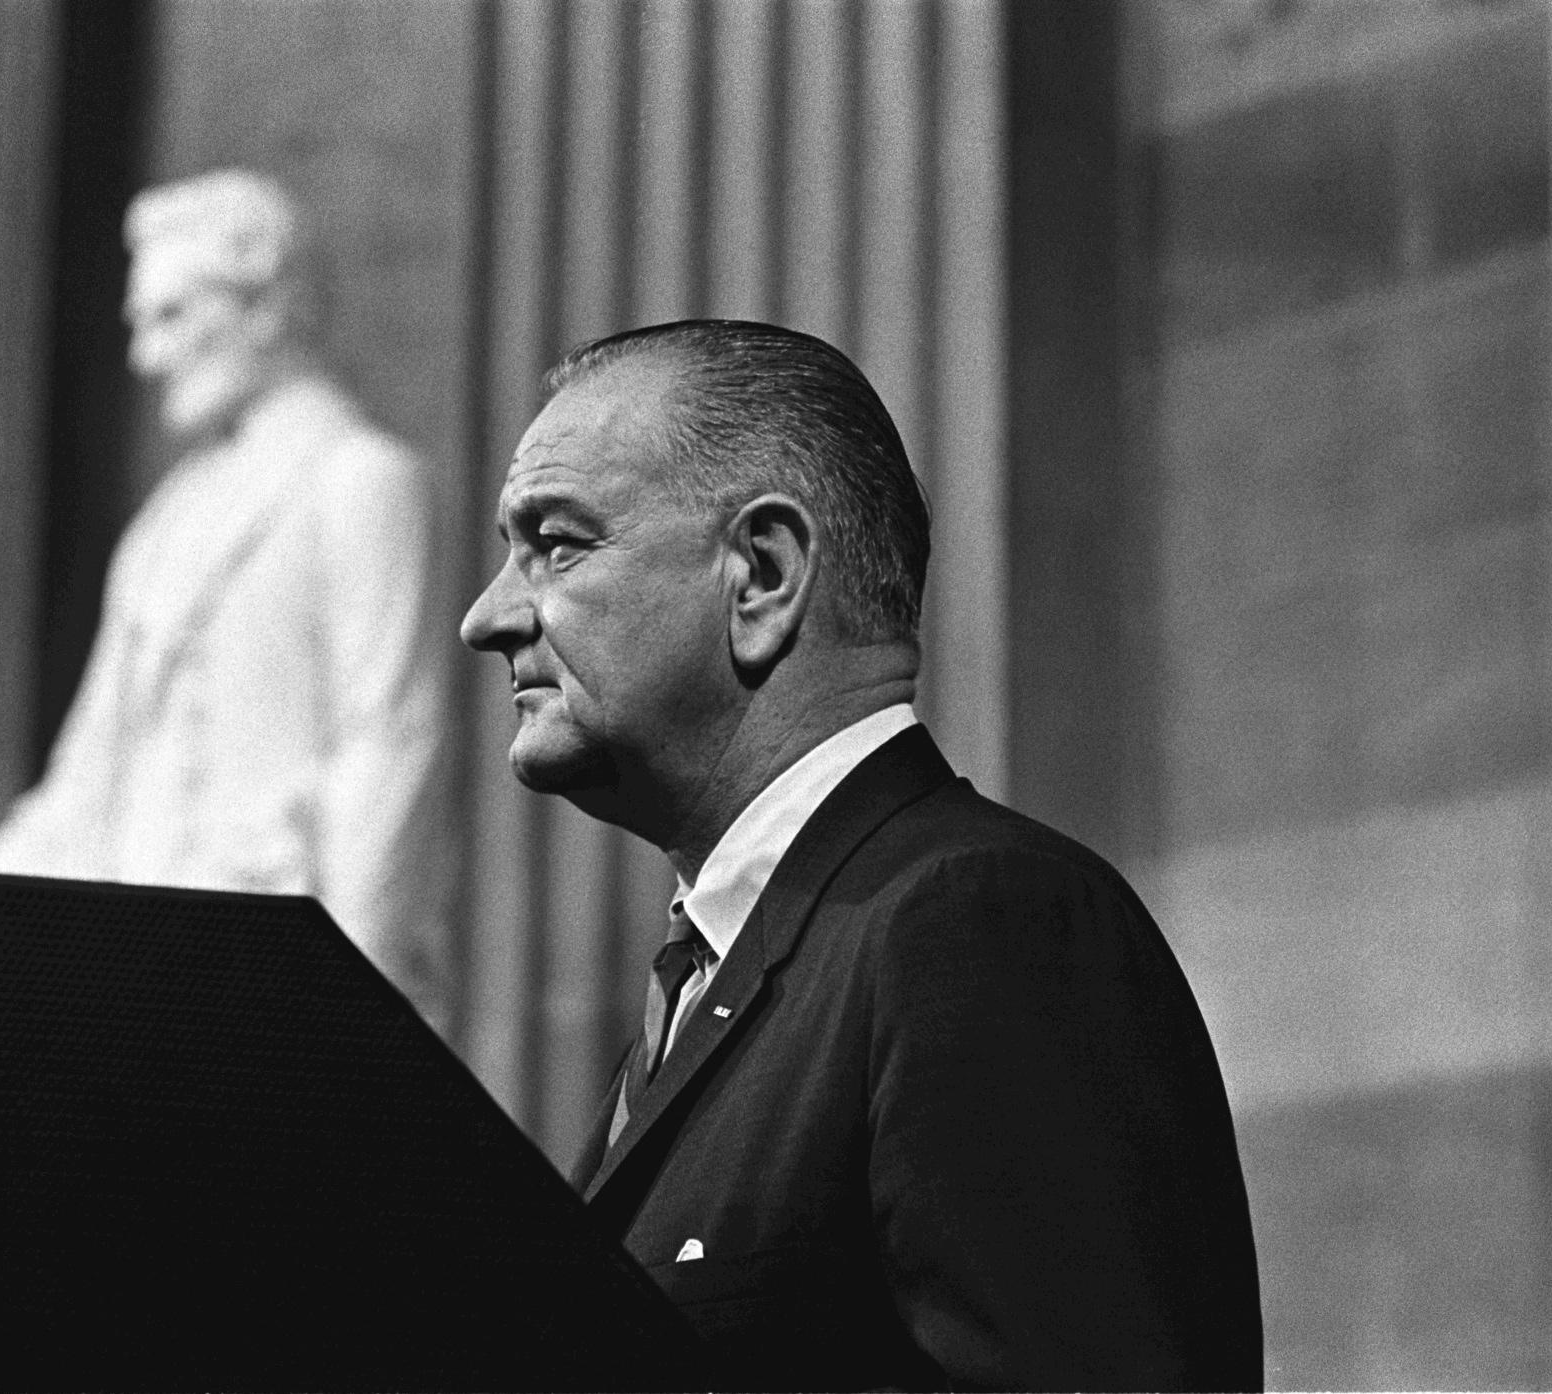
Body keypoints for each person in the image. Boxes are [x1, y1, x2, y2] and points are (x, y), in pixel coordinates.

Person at [460, 320, 1262, 1390]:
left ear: (760, 572)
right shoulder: (724, 973)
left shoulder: (977, 922)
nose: (486, 615)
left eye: (555, 542)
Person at [0, 169, 450, 1024]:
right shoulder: (162, 525)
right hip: (139, 992)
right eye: (140, 322)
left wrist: (352, 1019)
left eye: (174, 315)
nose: (148, 358)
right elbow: (85, 787)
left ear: (266, 307)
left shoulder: (360, 479)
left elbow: (390, 746)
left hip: (277, 984)